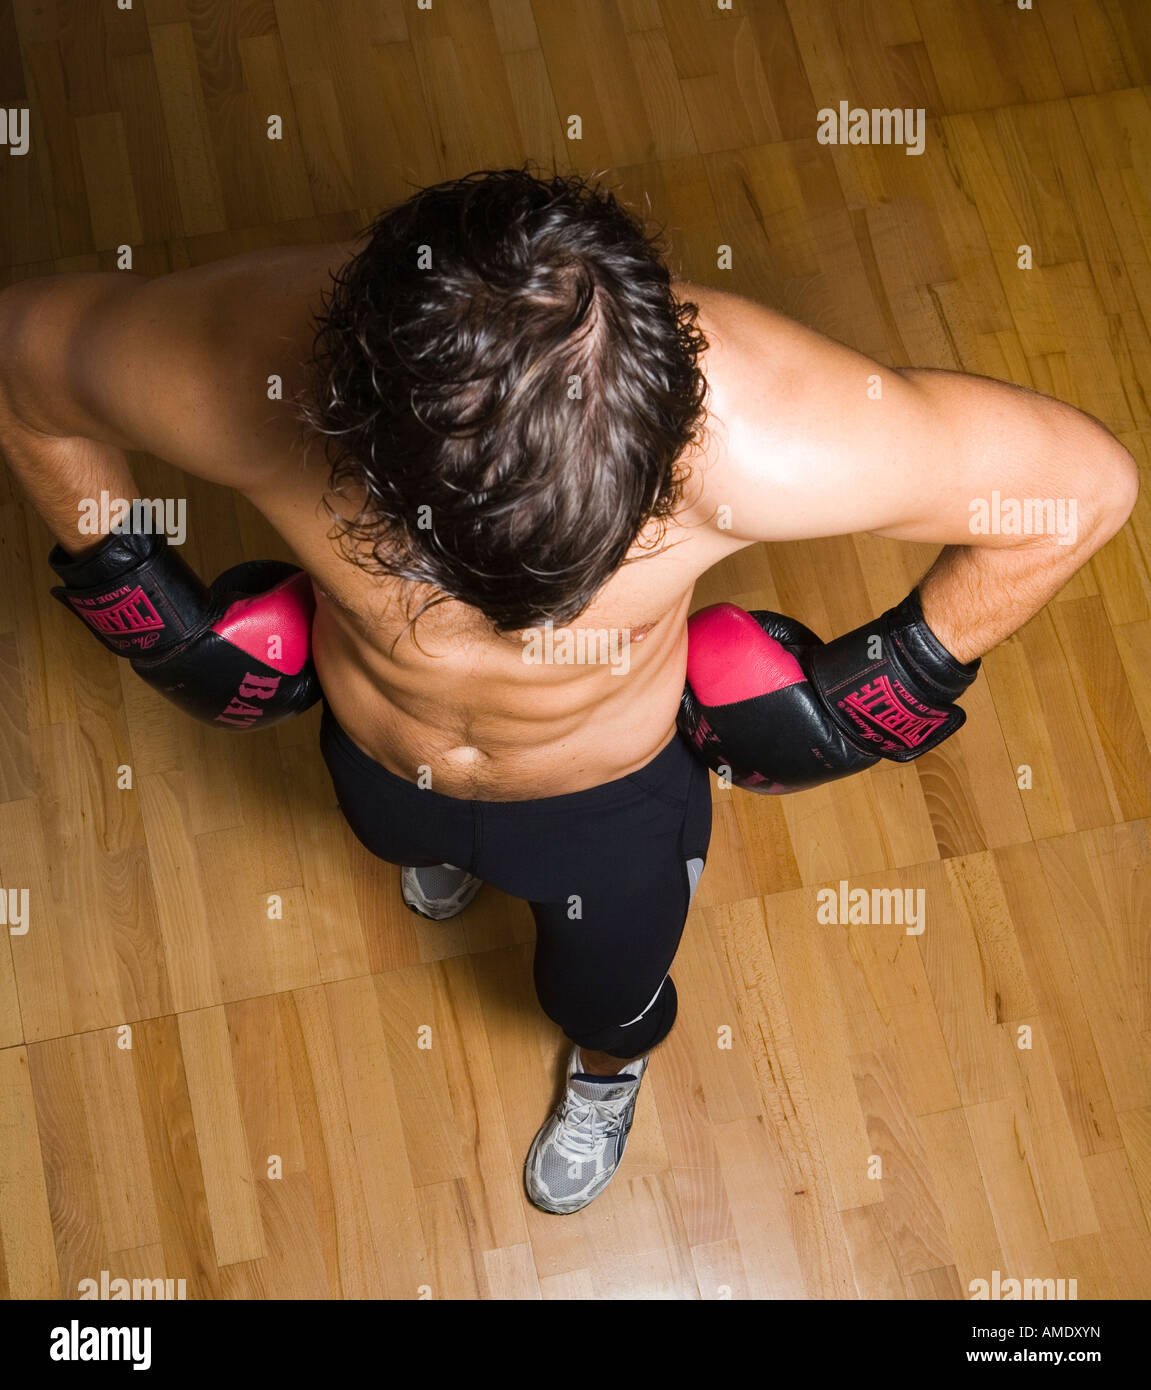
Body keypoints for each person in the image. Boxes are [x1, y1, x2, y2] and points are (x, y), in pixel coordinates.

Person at [0, 168, 1136, 1215]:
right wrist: (138, 601)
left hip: (609, 803)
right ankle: (444, 858)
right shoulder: (241, 371)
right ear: (357, 430)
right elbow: (22, 369)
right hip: (378, 756)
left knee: (601, 998)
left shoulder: (767, 431)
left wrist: (877, 695)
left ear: (670, 450)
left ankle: (610, 1072)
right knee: (403, 840)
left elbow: (1078, 490)